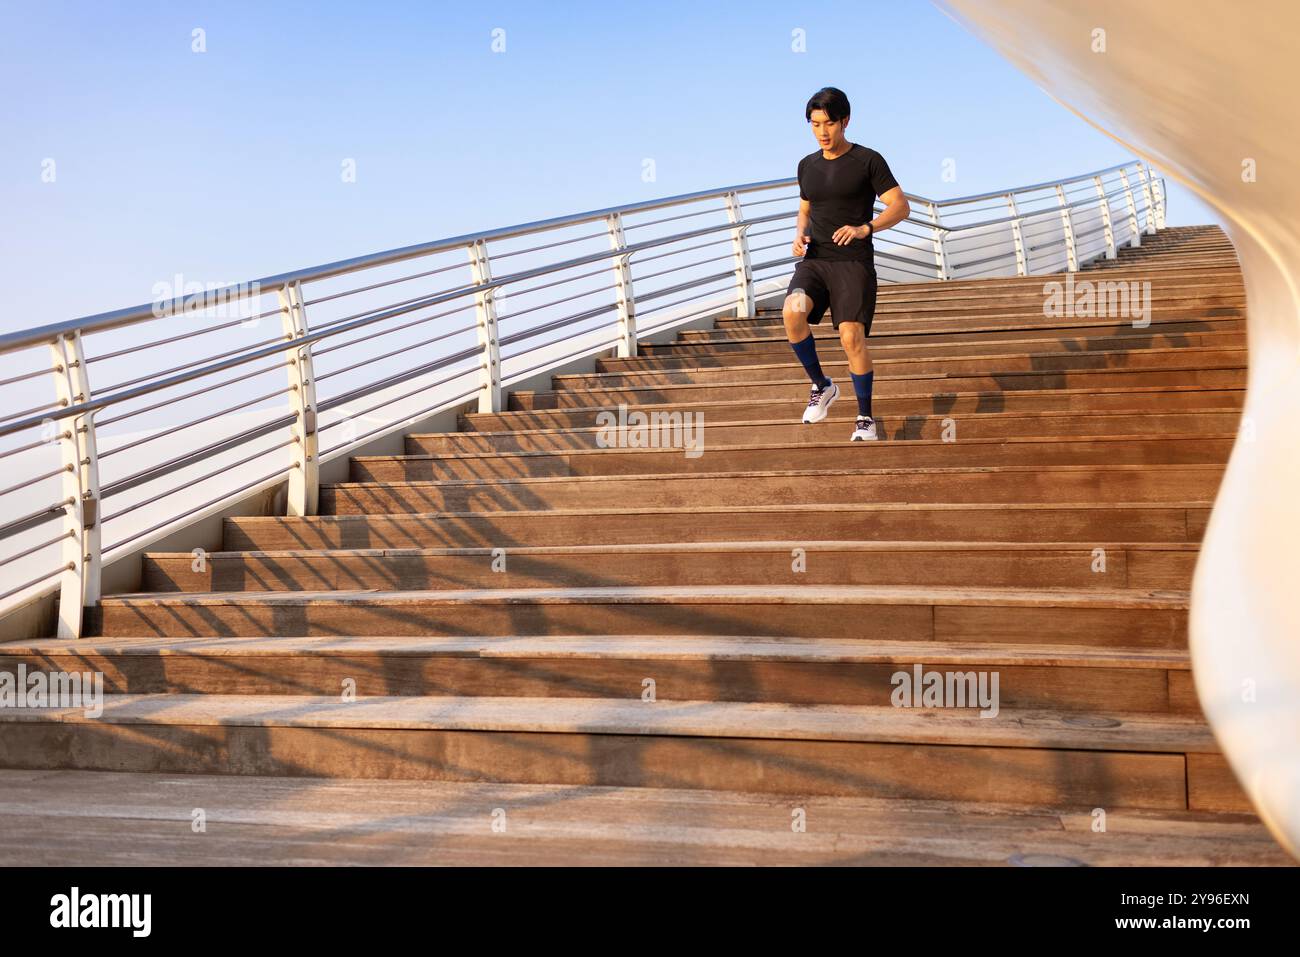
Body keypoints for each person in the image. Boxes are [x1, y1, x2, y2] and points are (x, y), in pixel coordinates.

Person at [784, 87, 910, 441]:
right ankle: (821, 385)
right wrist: (799, 234)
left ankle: (865, 417)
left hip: (854, 261)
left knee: (850, 336)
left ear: (845, 121)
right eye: (814, 124)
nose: (822, 132)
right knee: (792, 312)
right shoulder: (806, 165)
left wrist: (865, 228)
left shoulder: (867, 160)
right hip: (817, 259)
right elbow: (806, 208)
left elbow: (900, 205)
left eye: (828, 124)